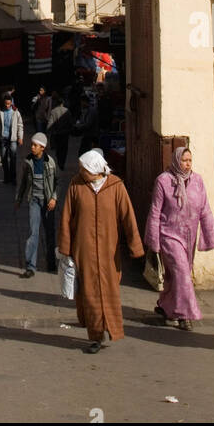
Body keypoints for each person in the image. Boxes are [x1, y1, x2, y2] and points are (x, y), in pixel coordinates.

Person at [57, 148, 144, 354]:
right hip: (83, 250)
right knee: (89, 292)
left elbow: (128, 218)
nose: (80, 171)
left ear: (94, 169)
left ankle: (111, 327)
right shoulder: (76, 185)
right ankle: (95, 335)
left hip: (109, 250)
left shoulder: (116, 186)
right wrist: (66, 248)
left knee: (110, 288)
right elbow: (67, 217)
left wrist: (136, 247)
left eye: (84, 168)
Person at [144, 145, 214, 331]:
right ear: (177, 161)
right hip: (169, 234)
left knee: (176, 275)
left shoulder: (198, 181)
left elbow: (205, 209)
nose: (187, 165)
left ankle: (166, 306)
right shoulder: (163, 181)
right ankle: (185, 314)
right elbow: (155, 211)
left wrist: (211, 235)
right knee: (182, 273)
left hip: (189, 235)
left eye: (189, 161)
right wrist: (153, 241)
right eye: (184, 161)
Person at [16, 132, 58, 277]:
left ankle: (51, 263)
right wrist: (19, 199)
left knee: (50, 233)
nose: (32, 147)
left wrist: (54, 198)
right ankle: (31, 266)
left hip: (48, 202)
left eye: (35, 145)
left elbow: (56, 183)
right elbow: (23, 183)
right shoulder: (28, 162)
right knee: (33, 232)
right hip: (34, 200)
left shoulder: (50, 163)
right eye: (32, 145)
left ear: (43, 148)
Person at [0, 94, 23, 184]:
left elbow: (20, 125)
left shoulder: (16, 112)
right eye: (6, 103)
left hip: (12, 139)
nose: (7, 105)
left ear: (11, 103)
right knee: (3, 159)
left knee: (13, 158)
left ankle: (13, 178)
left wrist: (20, 137)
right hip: (3, 138)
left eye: (9, 104)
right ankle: (6, 177)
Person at [46, 92, 72, 171]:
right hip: (65, 133)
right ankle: (62, 163)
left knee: (58, 148)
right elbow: (70, 122)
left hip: (57, 133)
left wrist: (48, 131)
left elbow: (50, 123)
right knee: (64, 149)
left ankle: (59, 161)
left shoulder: (54, 111)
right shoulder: (67, 111)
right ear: (63, 103)